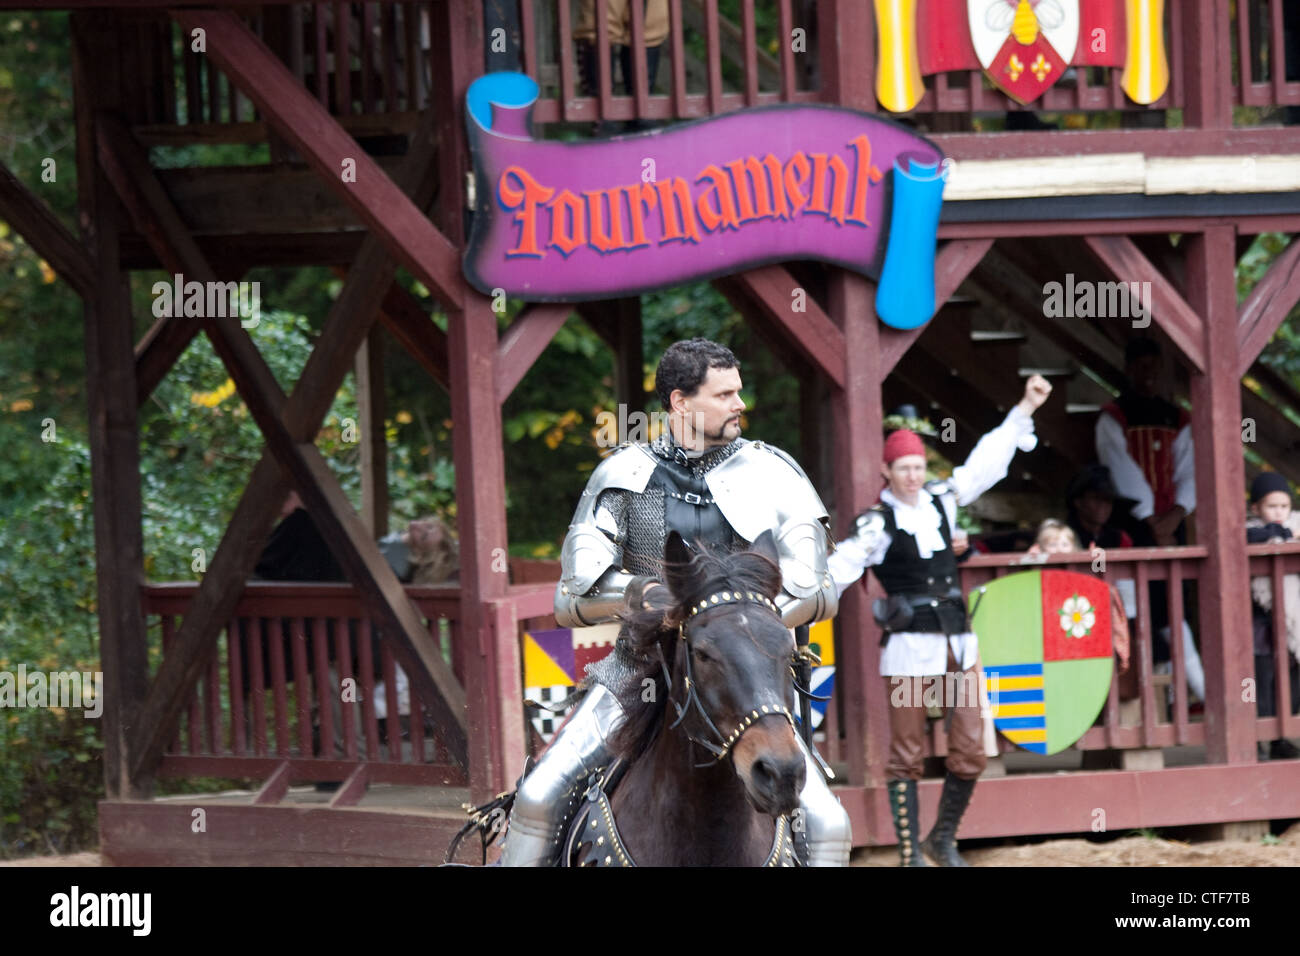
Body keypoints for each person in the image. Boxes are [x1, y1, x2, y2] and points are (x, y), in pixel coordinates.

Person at [498, 338, 847, 866]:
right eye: (725, 394)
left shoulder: (774, 473)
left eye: (739, 392)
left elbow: (817, 585)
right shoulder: (624, 474)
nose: (740, 404)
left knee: (828, 823)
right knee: (541, 796)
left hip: (743, 674)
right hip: (640, 667)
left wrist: (741, 619)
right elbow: (573, 593)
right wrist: (642, 594)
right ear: (681, 403)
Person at [828, 375, 1052, 866]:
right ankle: (910, 856)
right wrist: (797, 597)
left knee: (971, 749)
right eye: (903, 468)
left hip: (958, 644)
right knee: (907, 753)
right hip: (910, 648)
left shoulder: (942, 499)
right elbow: (842, 566)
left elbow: (986, 464)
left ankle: (941, 838)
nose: (912, 475)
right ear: (887, 471)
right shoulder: (876, 523)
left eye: (917, 466)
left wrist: (1023, 409)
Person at [1029, 519, 1131, 677]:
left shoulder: (1080, 566)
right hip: (1050, 624)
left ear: (1073, 547)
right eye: (1053, 545)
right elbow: (1029, 579)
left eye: (1064, 544)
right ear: (1041, 548)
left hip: (1077, 623)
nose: (1059, 550)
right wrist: (1031, 558)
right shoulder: (1039, 567)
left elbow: (1101, 579)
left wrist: (1096, 559)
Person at [1246, 471, 1300, 761]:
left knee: (1292, 682)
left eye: (1284, 506)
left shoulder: (1294, 525)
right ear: (1256, 508)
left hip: (1293, 621)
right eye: (1272, 506)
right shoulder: (1252, 530)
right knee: (1261, 682)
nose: (1279, 512)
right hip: (1260, 624)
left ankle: (1280, 738)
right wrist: (1287, 535)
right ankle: (1257, 741)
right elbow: (1252, 536)